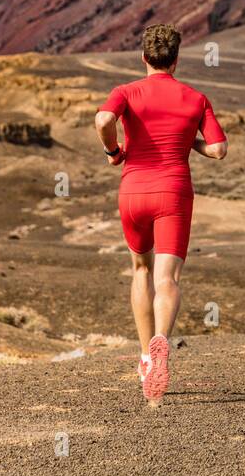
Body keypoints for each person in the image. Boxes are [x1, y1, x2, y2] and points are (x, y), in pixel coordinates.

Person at [94, 24, 227, 406]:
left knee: (141, 270)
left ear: (144, 58)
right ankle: (162, 344)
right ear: (177, 59)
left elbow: (104, 121)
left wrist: (112, 151)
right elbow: (218, 149)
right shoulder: (195, 97)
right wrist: (190, 142)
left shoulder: (126, 92)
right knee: (168, 278)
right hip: (174, 192)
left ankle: (145, 356)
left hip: (133, 191)